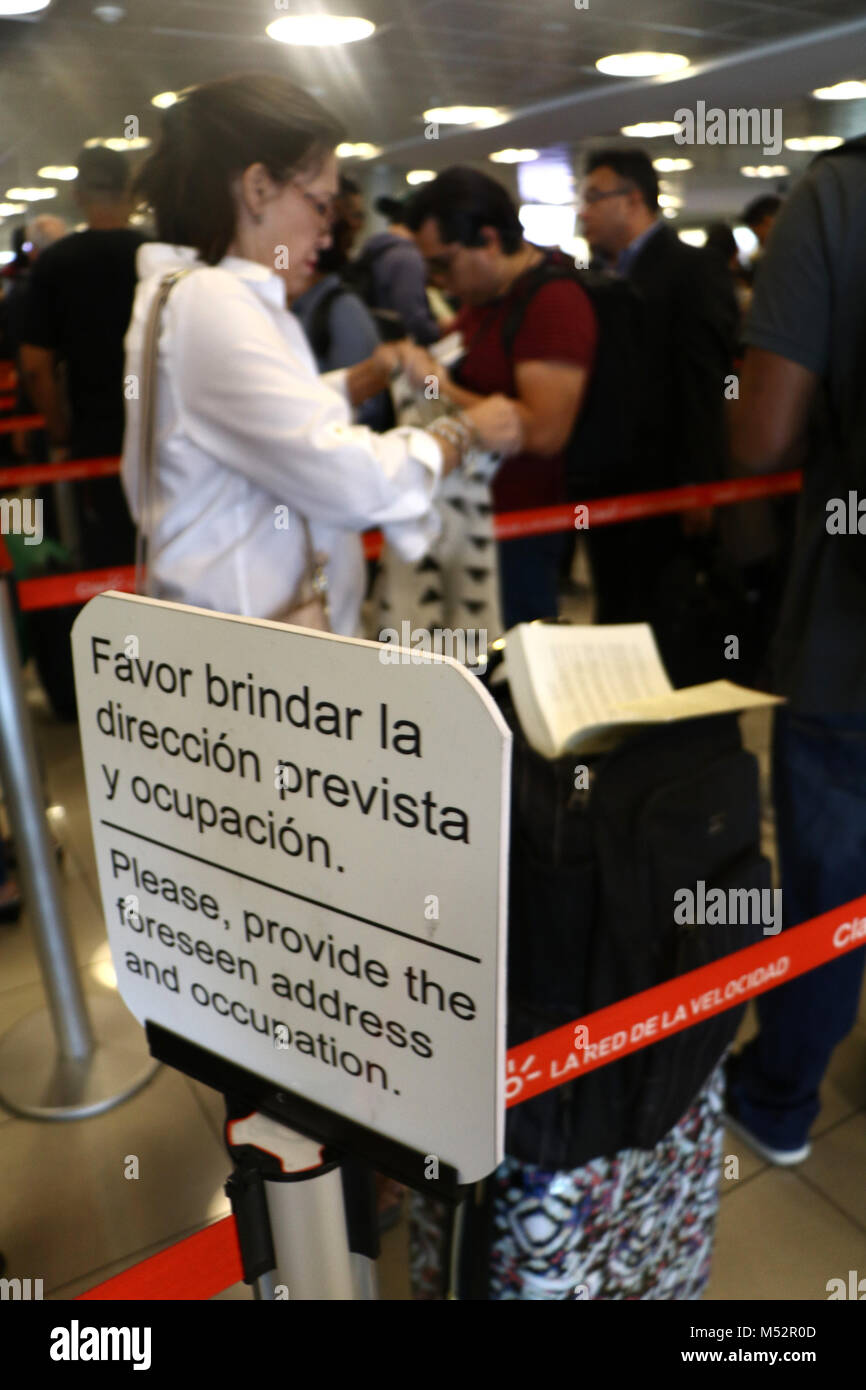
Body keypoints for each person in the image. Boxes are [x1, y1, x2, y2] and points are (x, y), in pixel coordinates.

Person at [121, 72, 522, 637]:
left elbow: (257, 424)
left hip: (243, 648)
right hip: (253, 662)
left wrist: (360, 380)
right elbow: (345, 479)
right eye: (320, 205)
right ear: (258, 188)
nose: (328, 235)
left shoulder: (193, 291)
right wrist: (464, 433)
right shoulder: (211, 301)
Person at [726, 134, 866, 1164]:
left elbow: (760, 430)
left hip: (850, 626)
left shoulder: (838, 191)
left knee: (829, 874)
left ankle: (778, 1103)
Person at [400, 166, 597, 628]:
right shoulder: (485, 302)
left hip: (520, 531)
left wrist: (439, 386)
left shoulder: (553, 302)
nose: (437, 281)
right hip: (473, 524)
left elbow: (545, 431)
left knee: (507, 676)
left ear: (488, 240)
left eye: (443, 263)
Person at [578, 149, 738, 678]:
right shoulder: (597, 280)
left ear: (633, 200)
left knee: (662, 621)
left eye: (594, 197)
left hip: (666, 484)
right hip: (608, 484)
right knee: (617, 613)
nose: (584, 211)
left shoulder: (691, 270)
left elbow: (705, 383)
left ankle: (667, 745)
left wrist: (700, 483)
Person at [20, 145, 148, 563]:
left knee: (108, 552)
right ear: (130, 191)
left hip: (96, 437)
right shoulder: (159, 258)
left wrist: (60, 434)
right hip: (163, 431)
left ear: (78, 194)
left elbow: (37, 367)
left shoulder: (55, 265)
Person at [352, 195, 439, 346]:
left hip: (375, 344)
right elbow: (413, 317)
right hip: (402, 349)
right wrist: (439, 332)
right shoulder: (407, 257)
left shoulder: (374, 249)